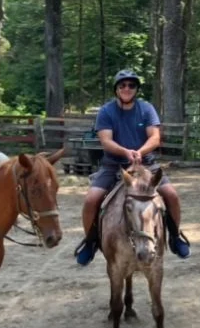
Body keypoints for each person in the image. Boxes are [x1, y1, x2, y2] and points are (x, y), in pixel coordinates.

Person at [73, 69, 191, 266]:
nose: (127, 88)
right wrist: (126, 152)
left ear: (136, 89)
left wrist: (139, 152)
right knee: (91, 200)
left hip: (146, 164)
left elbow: (155, 137)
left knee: (171, 195)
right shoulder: (106, 111)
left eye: (131, 85)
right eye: (122, 85)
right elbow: (106, 140)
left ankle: (175, 236)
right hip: (114, 165)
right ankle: (91, 241)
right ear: (116, 89)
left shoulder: (146, 109)